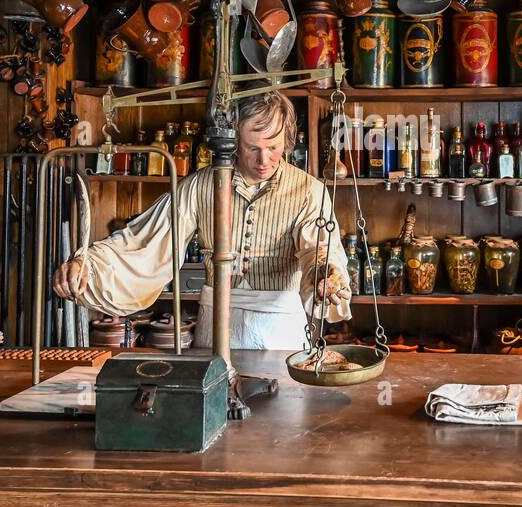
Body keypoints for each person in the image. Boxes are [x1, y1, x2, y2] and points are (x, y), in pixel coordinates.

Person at [52, 92, 351, 350]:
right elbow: (144, 241)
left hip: (280, 331)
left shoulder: (310, 191)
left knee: (280, 415)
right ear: (234, 141)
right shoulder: (201, 186)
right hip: (214, 327)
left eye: (273, 148)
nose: (264, 160)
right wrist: (88, 266)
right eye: (252, 148)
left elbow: (319, 250)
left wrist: (326, 274)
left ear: (286, 140)